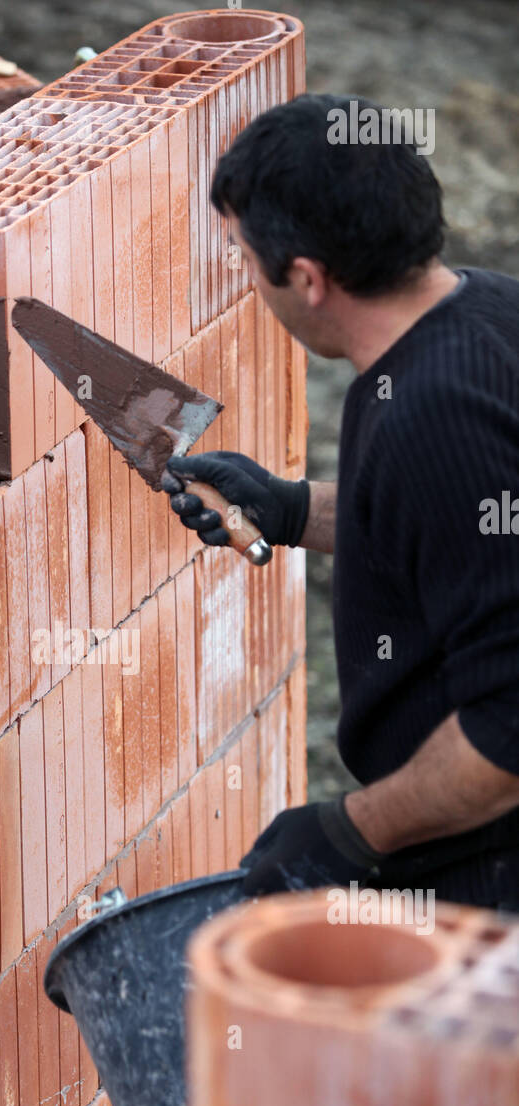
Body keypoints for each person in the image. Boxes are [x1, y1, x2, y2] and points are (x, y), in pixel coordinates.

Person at [163, 93, 519, 910]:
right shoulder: (489, 309)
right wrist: (291, 509)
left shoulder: (434, 411)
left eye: (246, 259)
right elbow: (447, 528)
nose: (250, 281)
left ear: (308, 278)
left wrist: (351, 832)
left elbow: (509, 731)